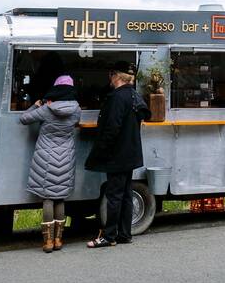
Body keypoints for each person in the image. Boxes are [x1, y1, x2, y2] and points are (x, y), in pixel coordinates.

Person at [85, 60, 149, 248]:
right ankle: (125, 233)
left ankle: (109, 235)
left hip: (117, 154)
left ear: (116, 76)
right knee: (126, 194)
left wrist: (101, 151)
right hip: (130, 153)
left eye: (111, 74)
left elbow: (112, 128)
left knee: (114, 195)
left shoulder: (116, 98)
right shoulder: (134, 96)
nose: (109, 78)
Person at [15, 74, 81, 253]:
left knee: (48, 198)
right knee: (60, 197)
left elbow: (23, 119)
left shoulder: (47, 109)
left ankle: (48, 241)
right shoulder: (76, 109)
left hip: (45, 155)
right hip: (66, 155)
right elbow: (76, 124)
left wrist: (35, 105)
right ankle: (59, 239)